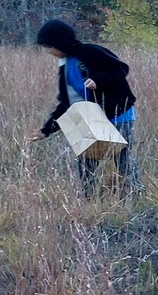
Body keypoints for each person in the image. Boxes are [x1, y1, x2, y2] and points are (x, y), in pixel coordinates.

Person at [29, 18, 137, 194]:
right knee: (86, 161)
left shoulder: (91, 51)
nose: (48, 51)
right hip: (92, 119)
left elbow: (120, 69)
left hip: (119, 115)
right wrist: (46, 130)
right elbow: (66, 104)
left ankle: (135, 195)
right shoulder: (64, 66)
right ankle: (88, 200)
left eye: (49, 46)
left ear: (60, 42)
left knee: (122, 158)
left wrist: (98, 80)